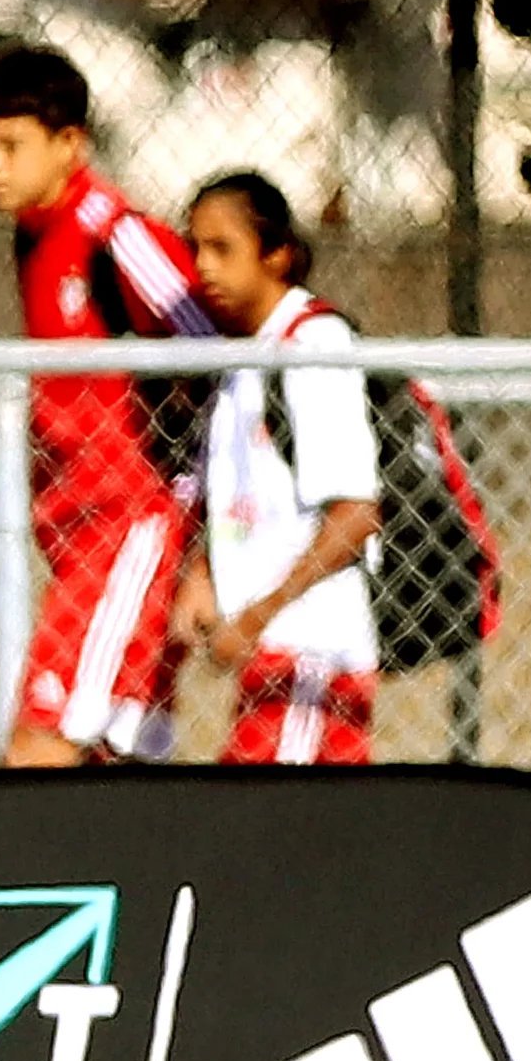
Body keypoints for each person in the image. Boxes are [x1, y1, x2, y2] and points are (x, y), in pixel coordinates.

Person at [0, 42, 219, 767]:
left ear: (69, 144)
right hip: (75, 529)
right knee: (123, 753)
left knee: (41, 742)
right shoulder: (34, 235)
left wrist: (197, 530)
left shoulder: (114, 234)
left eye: (10, 144)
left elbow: (225, 366)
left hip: (128, 521)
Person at [172, 173, 384, 765]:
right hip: (271, 659)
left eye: (222, 249)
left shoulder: (312, 341)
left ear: (277, 255)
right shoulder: (246, 350)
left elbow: (355, 515)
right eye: (195, 248)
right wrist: (203, 573)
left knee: (263, 838)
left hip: (312, 655)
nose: (202, 267)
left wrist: (259, 616)